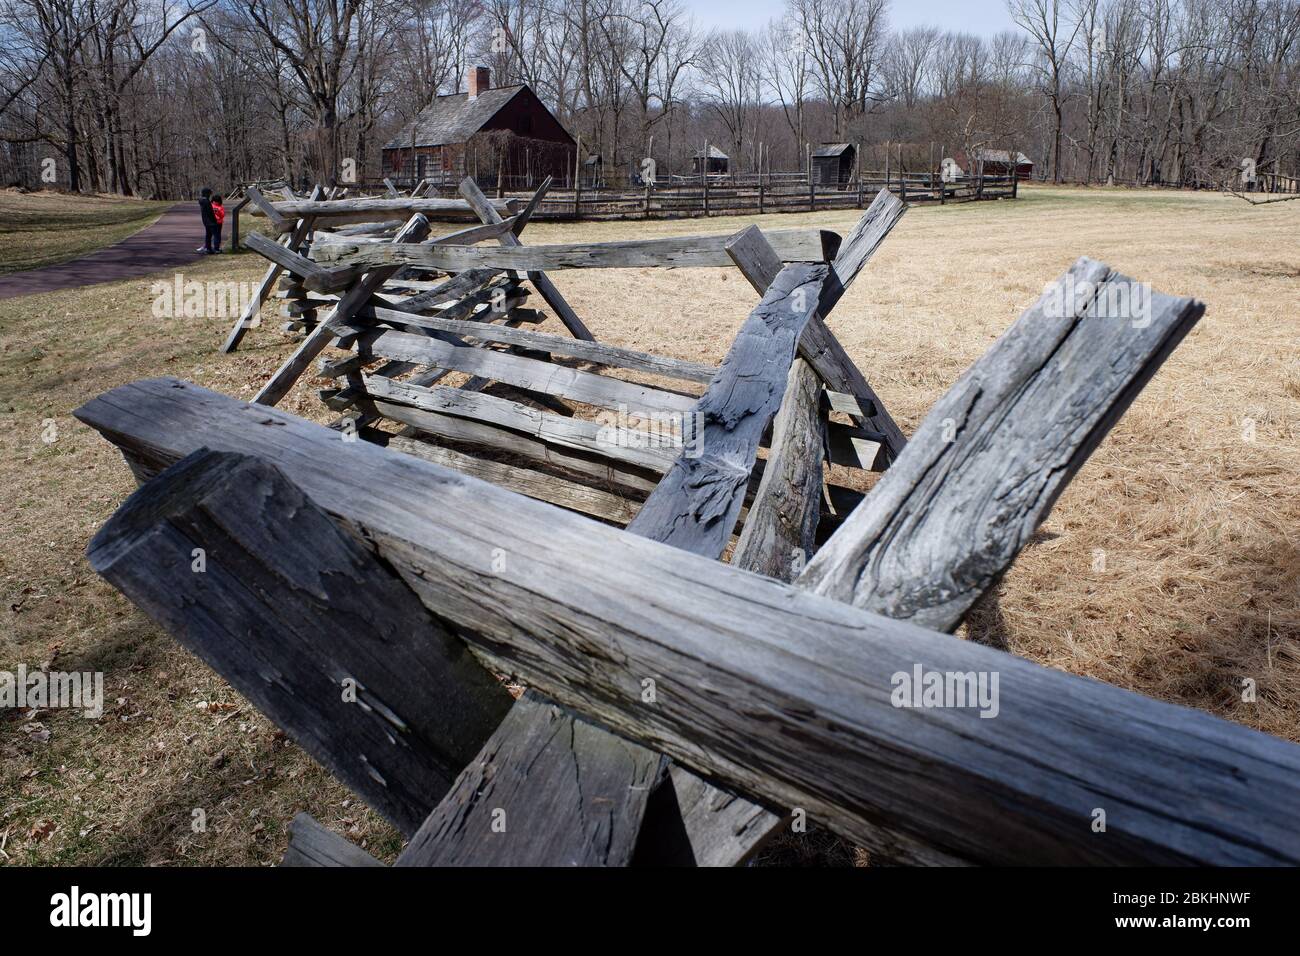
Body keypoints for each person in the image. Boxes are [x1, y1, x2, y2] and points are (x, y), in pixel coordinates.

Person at [197, 188, 216, 254]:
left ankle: (208, 248)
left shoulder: (203, 201)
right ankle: (211, 249)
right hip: (210, 221)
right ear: (206, 194)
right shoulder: (206, 202)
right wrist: (214, 220)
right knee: (214, 235)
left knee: (208, 235)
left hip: (205, 221)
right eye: (209, 193)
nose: (210, 195)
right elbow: (210, 212)